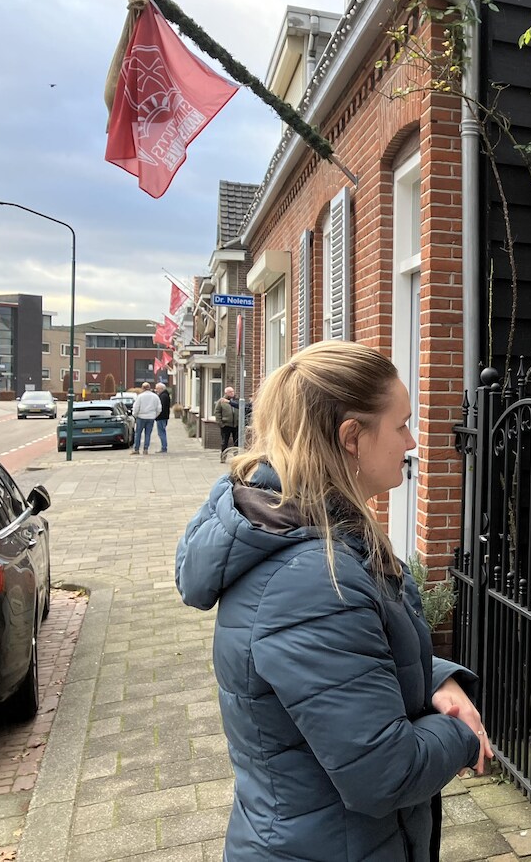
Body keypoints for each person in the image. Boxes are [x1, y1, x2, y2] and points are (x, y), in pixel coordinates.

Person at [175, 340, 492, 861]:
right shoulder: (316, 578)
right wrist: (461, 734)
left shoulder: (322, 535)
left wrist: (438, 680)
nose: (412, 441)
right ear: (352, 437)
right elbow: (383, 772)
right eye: (401, 425)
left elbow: (357, 657)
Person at [130, 382, 161, 455]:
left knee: (138, 433)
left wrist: (135, 415)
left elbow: (136, 407)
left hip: (141, 417)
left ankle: (136, 449)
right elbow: (159, 408)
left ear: (142, 388)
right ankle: (145, 449)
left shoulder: (140, 396)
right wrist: (154, 415)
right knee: (148, 434)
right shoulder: (155, 396)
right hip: (151, 417)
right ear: (149, 387)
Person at [214, 386, 238, 456]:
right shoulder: (221, 401)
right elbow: (217, 412)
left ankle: (236, 456)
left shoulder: (236, 401)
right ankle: (223, 456)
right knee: (225, 442)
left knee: (236, 442)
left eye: (233, 391)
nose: (232, 393)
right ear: (226, 393)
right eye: (230, 392)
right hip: (226, 425)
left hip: (236, 425)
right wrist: (221, 424)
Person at [154, 382, 171, 453]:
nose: (156, 390)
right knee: (162, 432)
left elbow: (161, 407)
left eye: (157, 388)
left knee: (161, 432)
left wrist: (157, 415)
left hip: (161, 417)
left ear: (161, 389)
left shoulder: (163, 396)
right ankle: (164, 447)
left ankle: (164, 448)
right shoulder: (165, 395)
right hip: (164, 417)